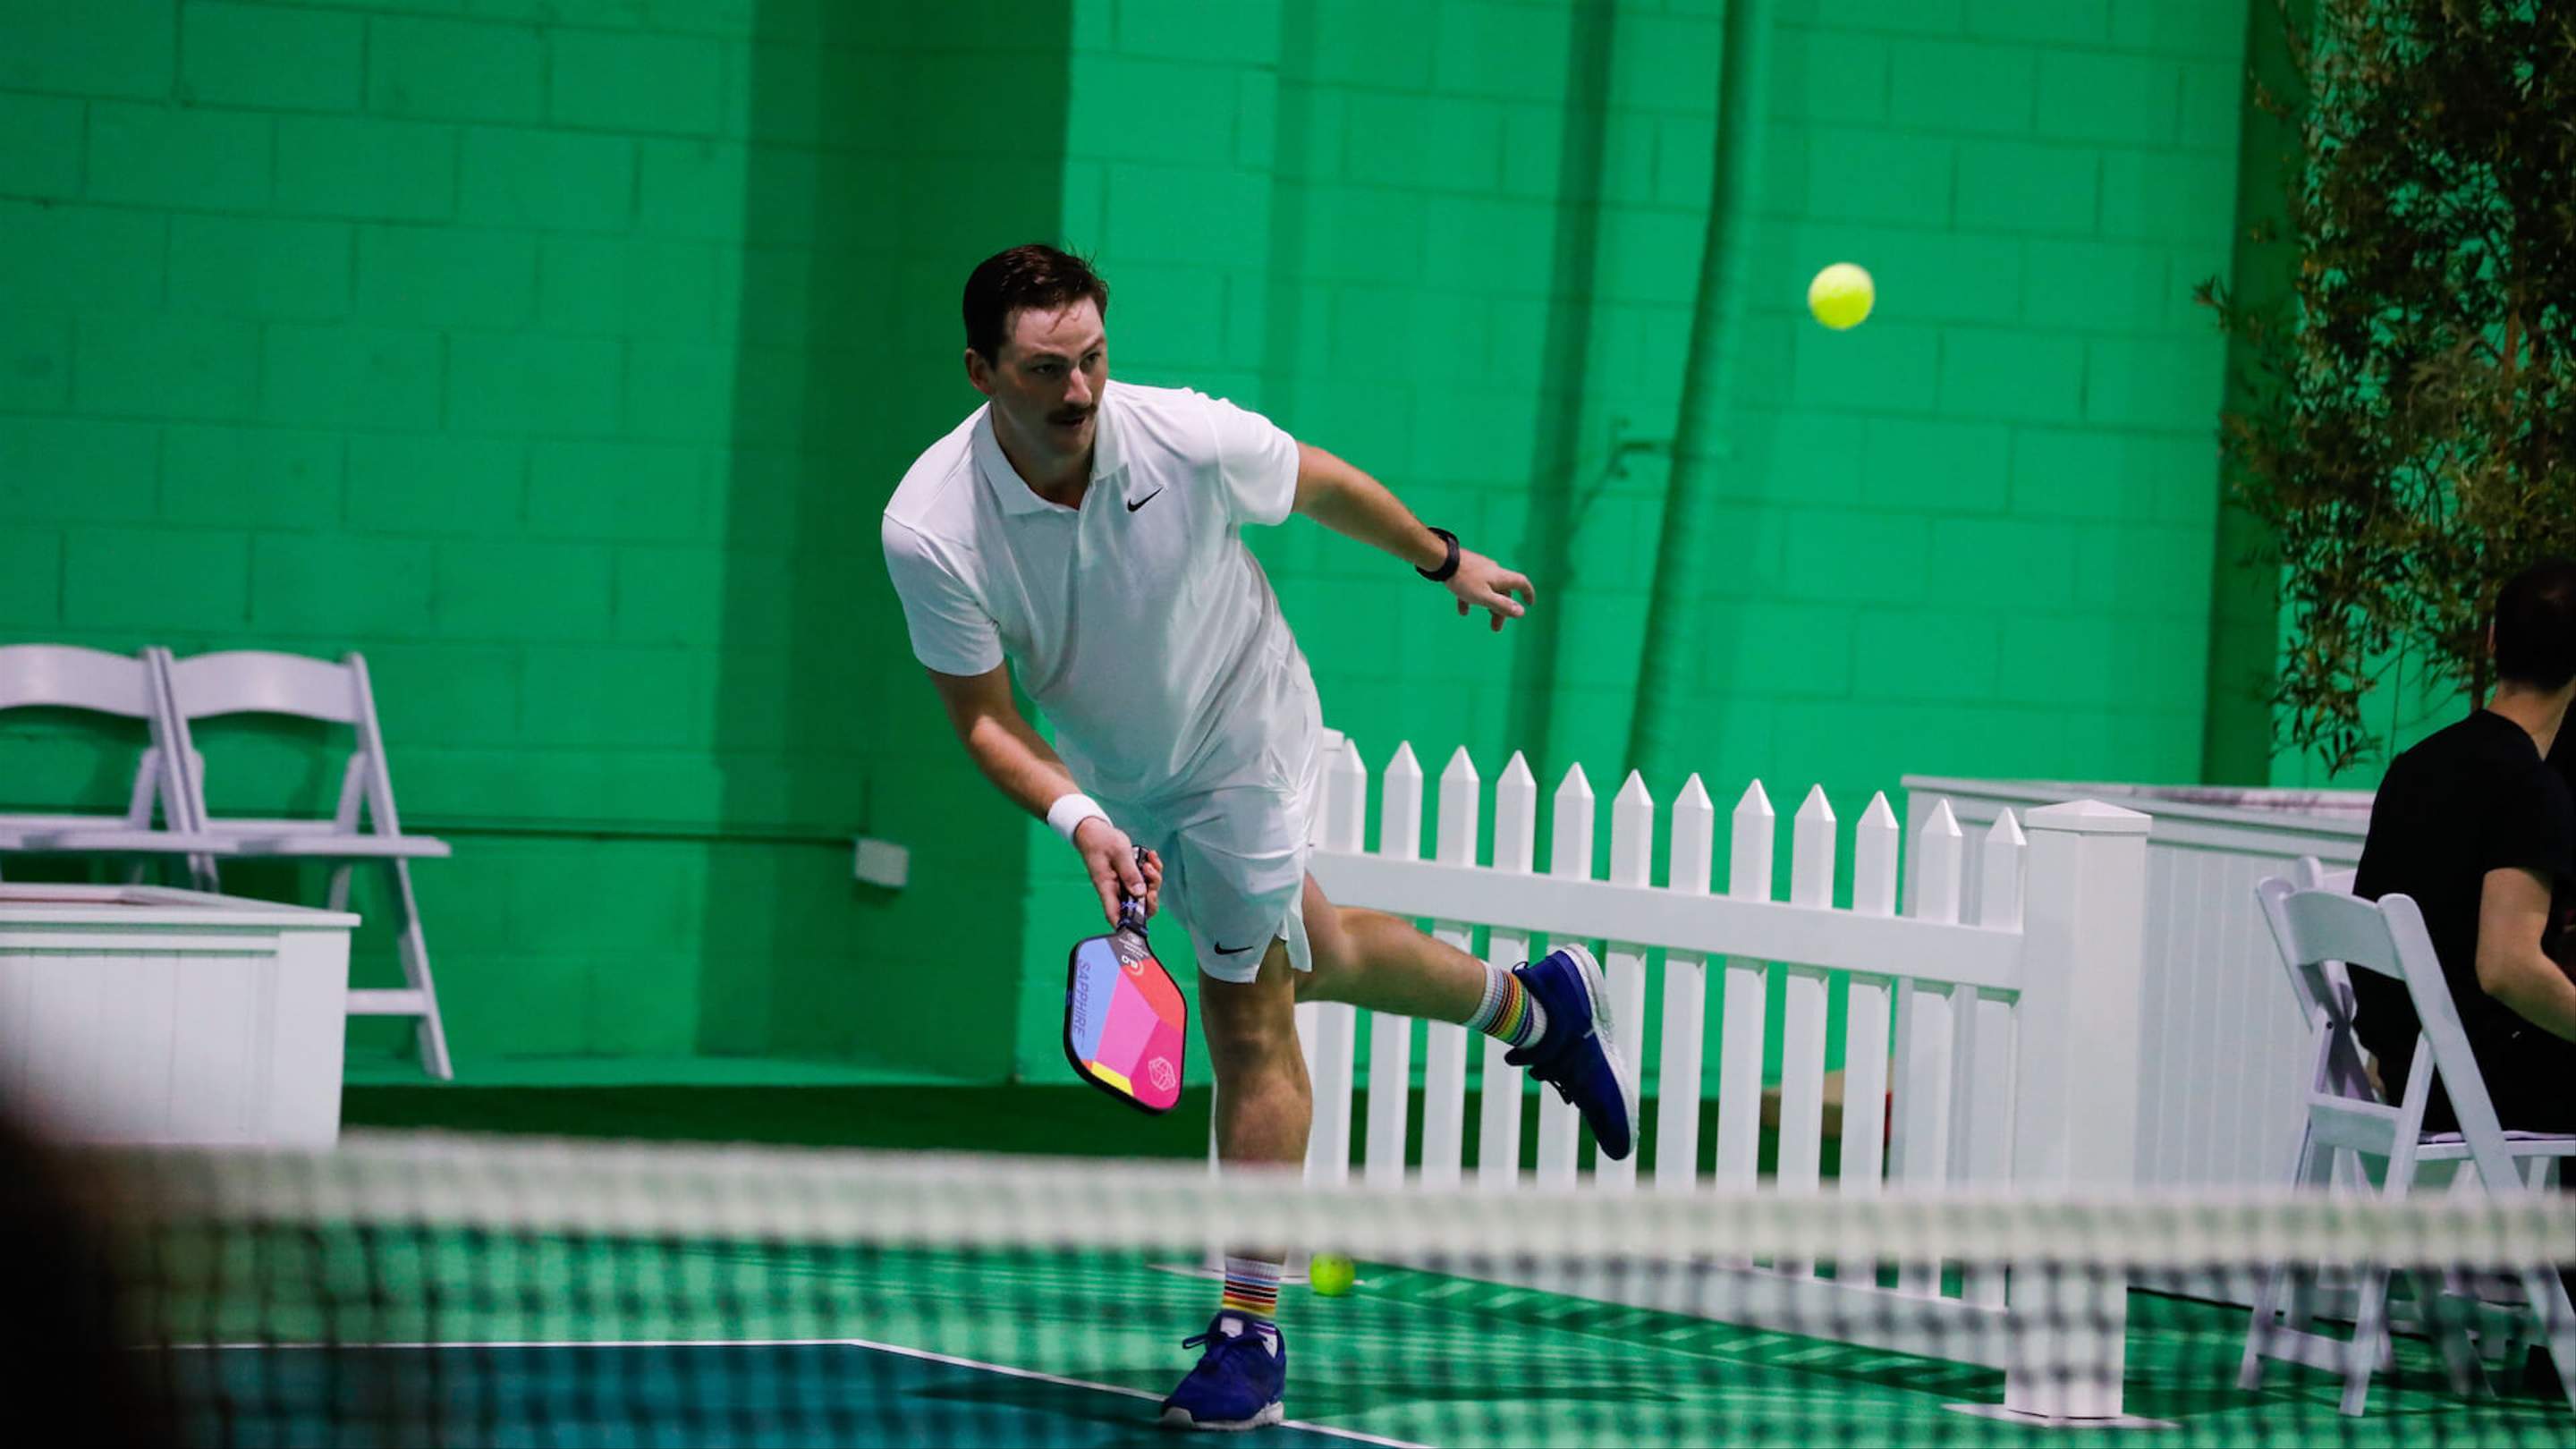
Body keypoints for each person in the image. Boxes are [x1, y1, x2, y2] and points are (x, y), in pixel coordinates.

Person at [880, 245, 1640, 1431]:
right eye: (1043, 370)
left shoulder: (1182, 437)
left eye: (1091, 358)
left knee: (1244, 1011)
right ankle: (1537, 1006)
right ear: (981, 370)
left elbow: (1323, 484)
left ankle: (1250, 1327)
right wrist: (1081, 816)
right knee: (1313, 956)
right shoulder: (932, 528)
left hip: (1247, 734)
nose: (1077, 390)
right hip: (1122, 772)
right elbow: (983, 721)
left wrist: (1448, 559)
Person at [2351, 557, 2576, 1137]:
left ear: (2494, 640)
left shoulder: (2413, 767)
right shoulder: (2530, 787)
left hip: (2407, 1071)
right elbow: (2506, 967)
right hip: (2475, 1085)